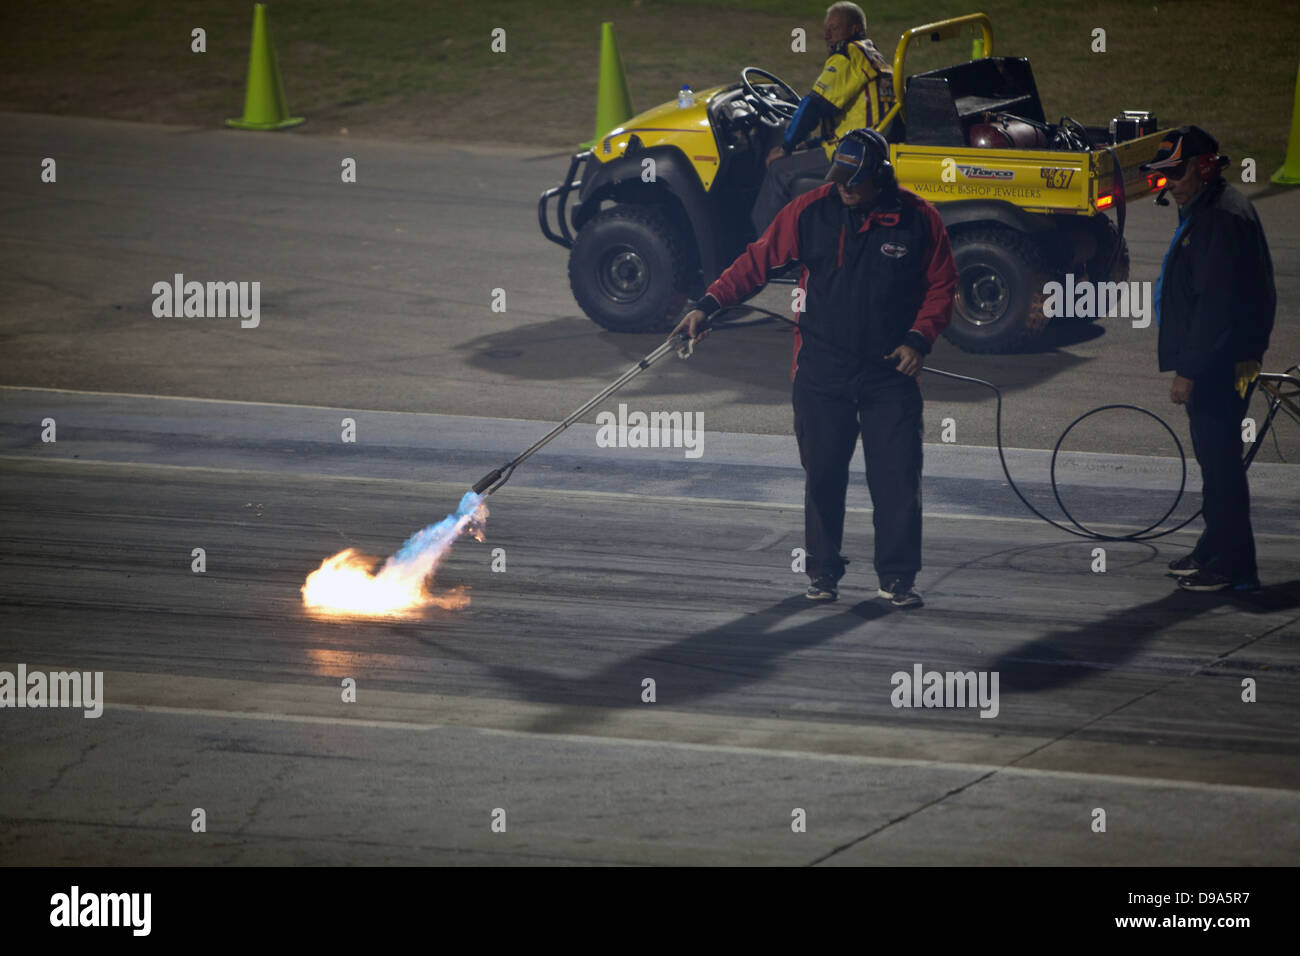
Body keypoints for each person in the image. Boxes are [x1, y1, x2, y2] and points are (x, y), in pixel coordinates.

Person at [672, 129, 956, 608]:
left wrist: (919, 340)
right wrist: (708, 304)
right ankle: (823, 574)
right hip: (821, 370)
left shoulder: (918, 219)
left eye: (855, 180)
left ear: (881, 176)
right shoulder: (811, 210)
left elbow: (942, 286)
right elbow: (756, 262)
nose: (844, 188)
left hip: (892, 374)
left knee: (898, 479)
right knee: (823, 475)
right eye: (840, 178)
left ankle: (897, 579)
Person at [1142, 125, 1275, 592]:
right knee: (1214, 458)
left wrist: (1188, 371)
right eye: (1161, 176)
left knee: (1220, 462)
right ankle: (1216, 545)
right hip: (1230, 358)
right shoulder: (1212, 209)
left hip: (1223, 363)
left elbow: (1214, 306)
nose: (1168, 184)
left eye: (1175, 173)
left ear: (1202, 168)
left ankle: (1233, 564)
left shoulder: (1218, 218)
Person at [750, 1, 895, 237]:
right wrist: (808, 143)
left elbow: (813, 106)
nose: (826, 35)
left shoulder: (848, 55)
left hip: (853, 155)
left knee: (778, 169)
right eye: (826, 29)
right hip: (869, 147)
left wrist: (786, 147)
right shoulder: (873, 56)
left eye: (835, 28)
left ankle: (766, 251)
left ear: (855, 28)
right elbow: (854, 119)